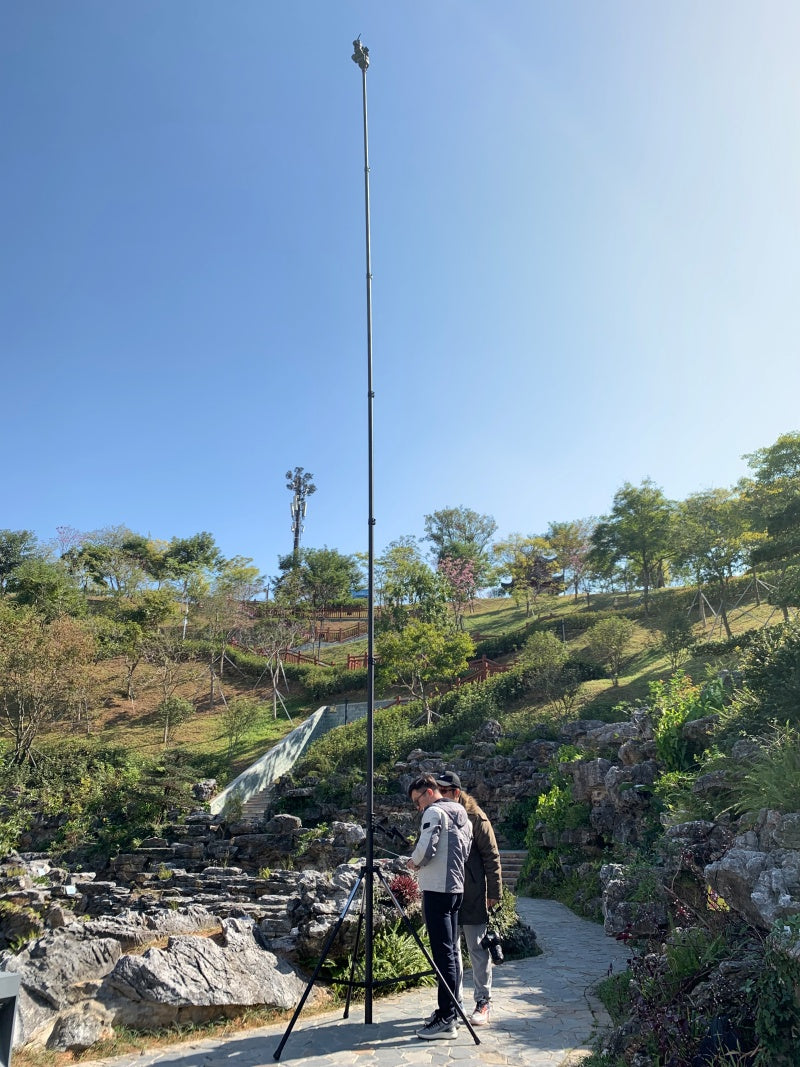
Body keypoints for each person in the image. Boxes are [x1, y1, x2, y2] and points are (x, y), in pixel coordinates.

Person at [406, 774, 473, 1040]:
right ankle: (451, 1009)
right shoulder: (462, 815)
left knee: (443, 954)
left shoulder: (434, 813)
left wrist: (413, 862)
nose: (418, 807)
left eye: (417, 801)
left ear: (430, 792)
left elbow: (426, 849)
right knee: (452, 953)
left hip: (436, 890)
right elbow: (465, 852)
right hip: (457, 889)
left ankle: (446, 1018)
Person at [435, 770, 503, 1027]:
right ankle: (455, 1002)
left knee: (477, 948)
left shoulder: (477, 818)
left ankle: (483, 1002)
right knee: (451, 949)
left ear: (455, 792)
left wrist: (493, 893)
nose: (439, 796)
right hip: (448, 891)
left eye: (443, 791)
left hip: (474, 894)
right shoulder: (440, 815)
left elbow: (492, 857)